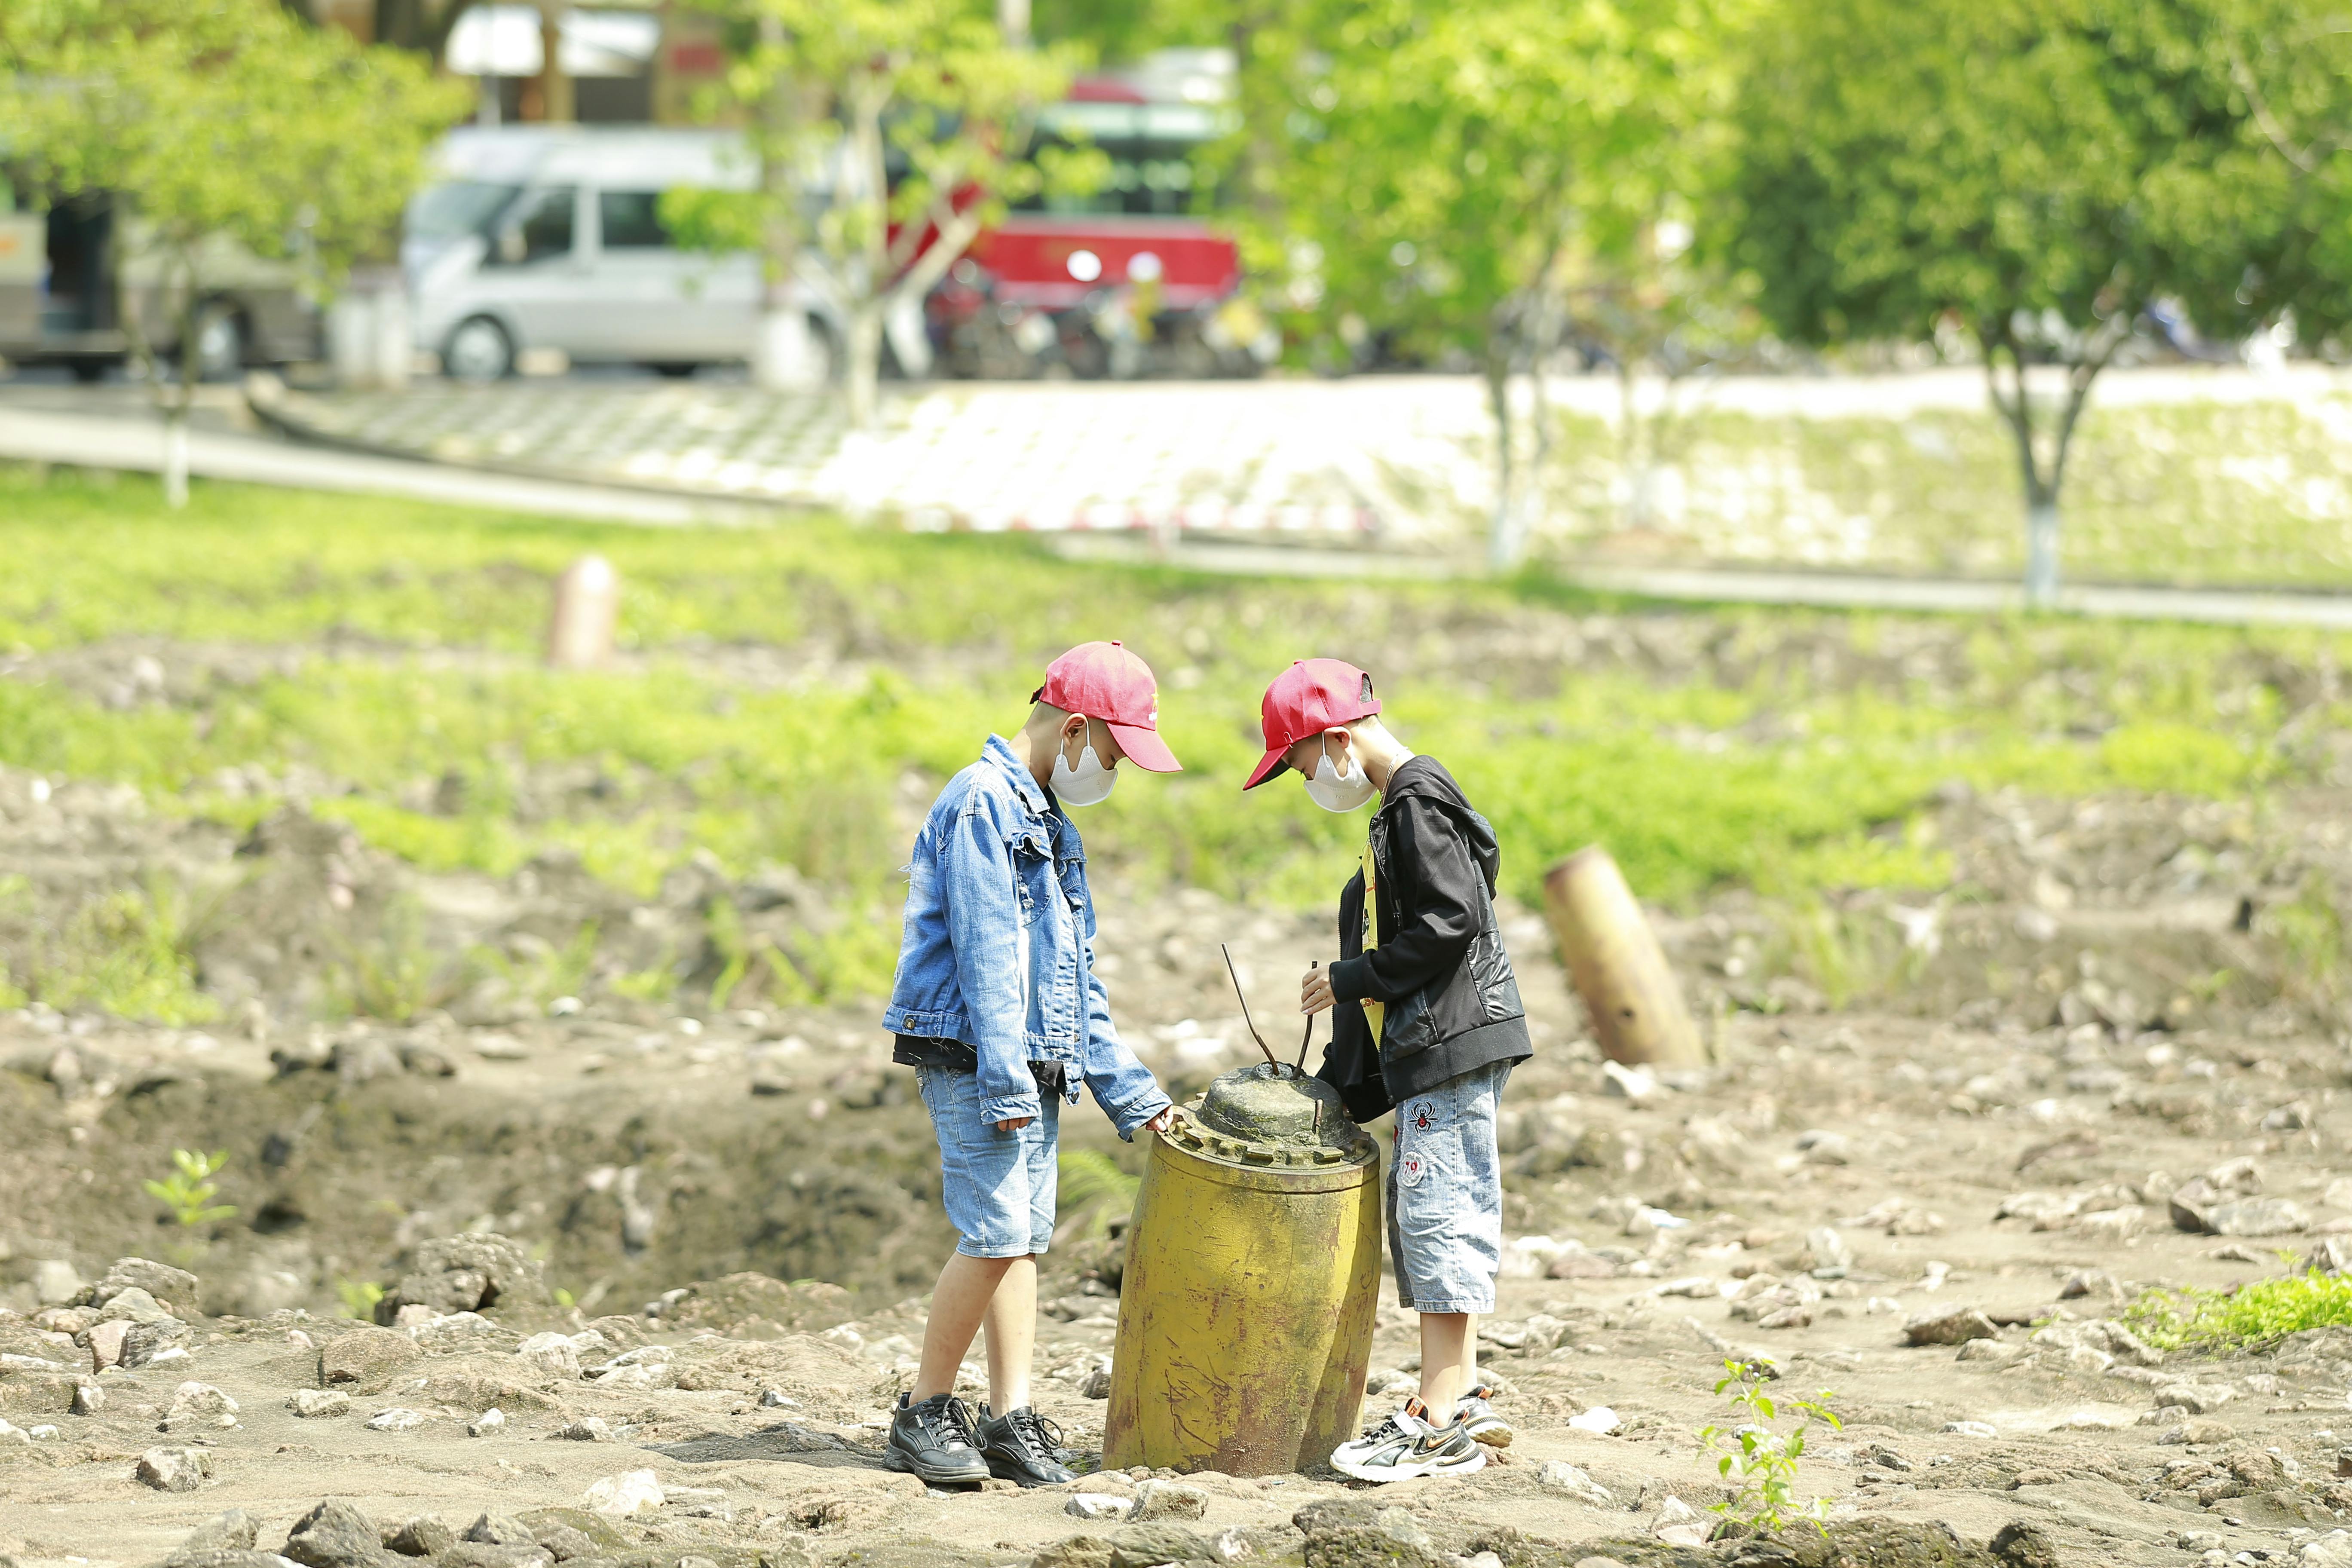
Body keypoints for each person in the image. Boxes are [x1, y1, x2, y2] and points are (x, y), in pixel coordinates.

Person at [879, 641, 1180, 1488]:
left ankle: (1011, 1419)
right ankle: (924, 1412)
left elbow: (1073, 980)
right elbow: (986, 955)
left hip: (1028, 1052)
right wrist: (1007, 1080)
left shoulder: (1048, 818)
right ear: (1076, 729)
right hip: (977, 1052)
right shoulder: (983, 804)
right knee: (996, 1231)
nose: (1113, 772)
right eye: (1115, 754)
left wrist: (1136, 1096)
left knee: (1024, 1239)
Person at [1242, 658, 1533, 1483]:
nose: (1306, 780)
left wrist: (1350, 977)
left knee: (1438, 1209)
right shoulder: (1406, 804)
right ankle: (1462, 1392)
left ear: (1335, 740)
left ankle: (1437, 1417)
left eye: (1299, 764)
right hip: (1445, 1043)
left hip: (1451, 1044)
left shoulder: (1411, 801)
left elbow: (1452, 920)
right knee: (1435, 1200)